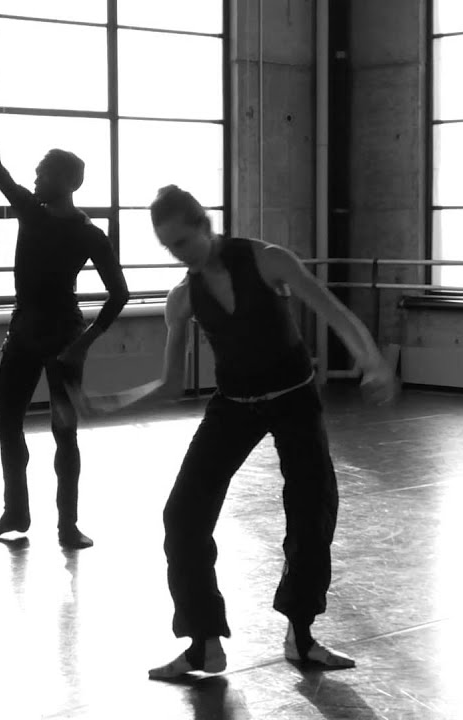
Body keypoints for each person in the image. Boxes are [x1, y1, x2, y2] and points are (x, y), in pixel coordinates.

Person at [70, 185, 396, 679]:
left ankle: (302, 636)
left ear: (204, 224)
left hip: (294, 397)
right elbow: (172, 383)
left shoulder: (268, 261)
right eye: (169, 247)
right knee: (182, 517)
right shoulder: (182, 299)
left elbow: (333, 312)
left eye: (183, 240)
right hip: (234, 405)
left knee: (311, 510)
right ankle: (204, 644)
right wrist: (108, 404)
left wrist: (372, 361)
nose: (180, 254)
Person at [0, 121, 129, 549]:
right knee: (6, 423)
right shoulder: (31, 211)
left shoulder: (89, 234)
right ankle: (16, 512)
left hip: (63, 338)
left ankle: (67, 525)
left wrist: (83, 344)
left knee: (64, 433)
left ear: (67, 183)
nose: (34, 181)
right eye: (35, 175)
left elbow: (119, 294)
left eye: (43, 175)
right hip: (25, 331)